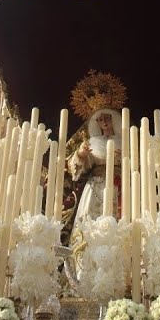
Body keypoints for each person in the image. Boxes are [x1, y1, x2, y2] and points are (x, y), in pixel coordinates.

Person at [62, 70, 128, 246]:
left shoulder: (127, 141)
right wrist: (81, 154)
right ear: (96, 123)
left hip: (120, 187)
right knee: (89, 230)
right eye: (101, 120)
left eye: (107, 118)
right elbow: (73, 169)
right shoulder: (91, 142)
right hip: (95, 186)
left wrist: (124, 159)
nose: (105, 122)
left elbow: (138, 164)